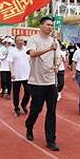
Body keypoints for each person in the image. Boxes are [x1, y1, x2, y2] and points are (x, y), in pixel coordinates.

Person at [24, 16, 61, 151]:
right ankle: (29, 124)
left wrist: (57, 65)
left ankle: (51, 140)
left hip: (51, 82)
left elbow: (58, 58)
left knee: (51, 112)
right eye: (48, 25)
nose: (50, 27)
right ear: (41, 25)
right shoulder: (33, 39)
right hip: (36, 82)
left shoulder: (55, 41)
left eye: (52, 25)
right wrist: (49, 48)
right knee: (36, 109)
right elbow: (32, 54)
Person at [8, 35, 31, 116]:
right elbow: (10, 62)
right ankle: (16, 108)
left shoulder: (27, 50)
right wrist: (12, 73)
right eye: (19, 40)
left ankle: (23, 104)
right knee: (16, 93)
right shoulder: (12, 51)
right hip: (16, 75)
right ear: (16, 41)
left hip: (26, 75)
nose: (21, 42)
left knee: (28, 91)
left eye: (22, 40)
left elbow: (30, 61)